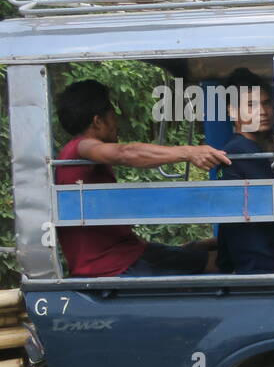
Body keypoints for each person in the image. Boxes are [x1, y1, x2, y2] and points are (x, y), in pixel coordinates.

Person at [53, 79, 229, 277]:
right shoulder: (82, 147)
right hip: (113, 265)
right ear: (98, 121)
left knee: (204, 252)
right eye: (112, 113)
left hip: (128, 253)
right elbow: (125, 153)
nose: (116, 121)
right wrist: (189, 152)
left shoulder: (73, 153)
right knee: (220, 263)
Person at [216, 69, 274, 274]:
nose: (263, 111)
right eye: (251, 105)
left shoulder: (255, 150)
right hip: (263, 261)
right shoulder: (241, 152)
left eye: (266, 103)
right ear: (232, 111)